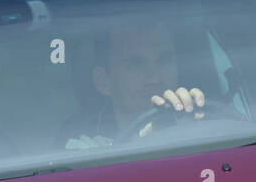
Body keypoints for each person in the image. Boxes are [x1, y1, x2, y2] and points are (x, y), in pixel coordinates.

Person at [56, 24, 211, 149]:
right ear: (103, 81)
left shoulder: (207, 121)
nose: (154, 78)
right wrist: (147, 140)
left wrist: (200, 120)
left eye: (164, 60)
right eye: (135, 64)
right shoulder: (82, 147)